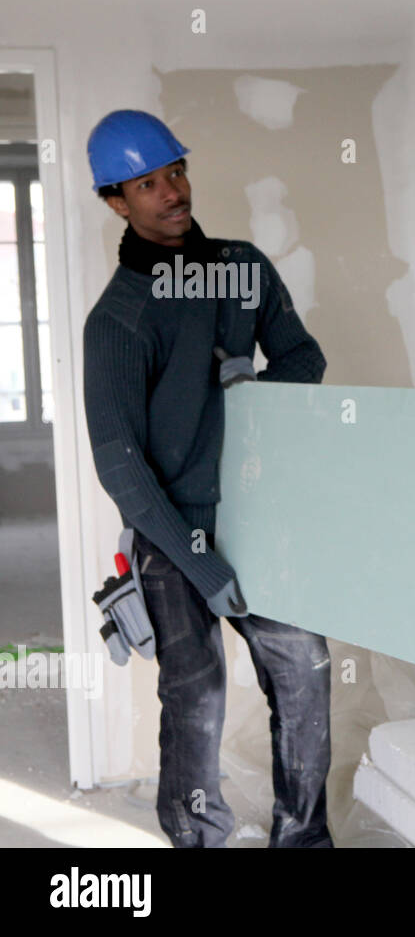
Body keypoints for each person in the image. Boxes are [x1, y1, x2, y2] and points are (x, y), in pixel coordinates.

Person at [82, 109, 334, 847]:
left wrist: (255, 385)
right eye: (149, 184)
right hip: (173, 530)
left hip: (261, 514)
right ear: (116, 202)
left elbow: (305, 359)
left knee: (305, 670)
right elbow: (122, 467)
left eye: (177, 173)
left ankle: (304, 837)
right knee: (196, 695)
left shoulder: (242, 268)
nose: (172, 193)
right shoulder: (120, 320)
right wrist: (198, 561)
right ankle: (198, 841)